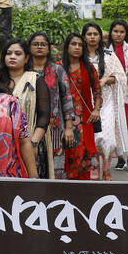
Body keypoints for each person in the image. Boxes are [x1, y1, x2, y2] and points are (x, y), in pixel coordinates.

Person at [0, 39, 51, 178]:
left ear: (26, 57)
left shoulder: (35, 79)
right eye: (8, 53)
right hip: (2, 146)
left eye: (17, 53)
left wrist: (33, 143)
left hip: (32, 143)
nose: (12, 57)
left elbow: (44, 115)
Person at [28, 32, 77, 179]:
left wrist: (69, 127)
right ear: (29, 48)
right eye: (35, 44)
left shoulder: (57, 70)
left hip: (54, 127)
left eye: (43, 44)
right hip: (29, 126)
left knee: (55, 168)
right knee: (32, 164)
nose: (39, 47)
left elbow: (66, 97)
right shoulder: (24, 70)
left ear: (48, 48)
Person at [60, 32, 100, 180]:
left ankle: (86, 189)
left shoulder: (89, 68)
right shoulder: (58, 68)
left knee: (86, 153)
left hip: (85, 119)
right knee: (67, 154)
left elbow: (97, 91)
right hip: (64, 121)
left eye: (80, 45)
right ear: (67, 47)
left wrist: (96, 109)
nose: (77, 47)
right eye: (73, 44)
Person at [104, 20, 128, 172]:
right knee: (114, 126)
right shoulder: (105, 51)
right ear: (111, 32)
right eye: (115, 31)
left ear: (126, 34)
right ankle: (120, 158)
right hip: (111, 93)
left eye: (121, 32)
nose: (118, 35)